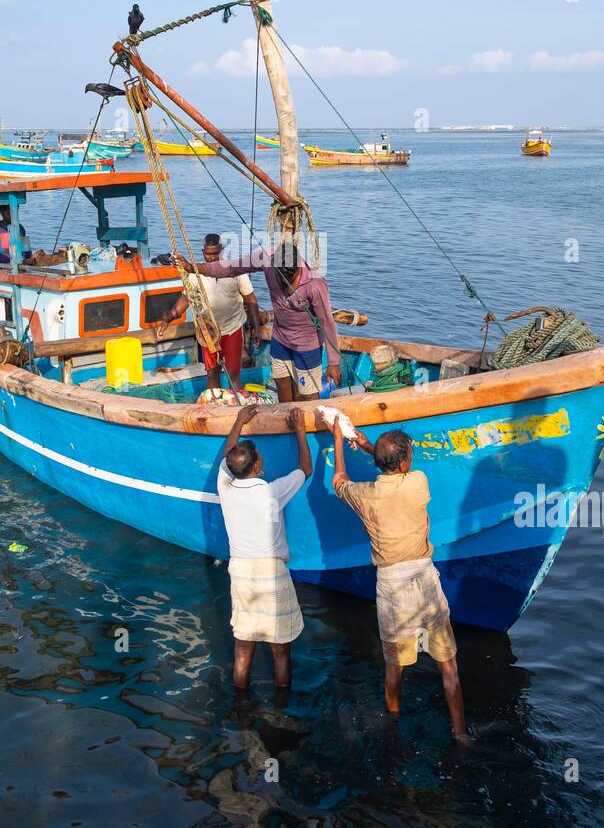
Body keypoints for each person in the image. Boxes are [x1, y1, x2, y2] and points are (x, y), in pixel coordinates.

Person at [331, 419, 467, 738]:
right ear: (405, 462)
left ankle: (393, 725)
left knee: (395, 667)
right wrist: (369, 447)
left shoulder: (364, 495)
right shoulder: (418, 482)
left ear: (380, 462)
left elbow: (339, 481)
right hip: (425, 579)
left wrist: (338, 440)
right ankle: (460, 732)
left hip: (392, 587)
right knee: (448, 666)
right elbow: (398, 466)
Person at [218, 404, 311, 689]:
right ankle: (282, 703)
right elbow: (305, 469)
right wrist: (300, 430)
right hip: (272, 573)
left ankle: (240, 703)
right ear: (258, 467)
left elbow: (228, 455)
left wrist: (238, 420)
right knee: (280, 649)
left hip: (241, 572)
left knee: (242, 649)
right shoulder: (271, 491)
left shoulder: (225, 487)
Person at [187, 241, 341, 402]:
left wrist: (333, 362)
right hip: (280, 340)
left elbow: (327, 323)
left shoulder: (315, 284)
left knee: (307, 394)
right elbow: (230, 268)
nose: (286, 285)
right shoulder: (266, 258)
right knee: (282, 384)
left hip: (306, 346)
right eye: (281, 278)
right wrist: (193, 268)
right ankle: (283, 417)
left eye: (291, 279)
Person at [154, 233, 261, 390]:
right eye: (208, 254)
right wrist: (166, 321)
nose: (212, 258)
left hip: (232, 330)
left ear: (222, 250)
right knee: (212, 373)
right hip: (209, 333)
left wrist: (256, 328)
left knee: (233, 375)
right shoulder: (195, 275)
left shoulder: (236, 271)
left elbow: (251, 300)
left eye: (216, 253)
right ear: (203, 252)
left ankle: (237, 402)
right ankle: (214, 401)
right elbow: (184, 301)